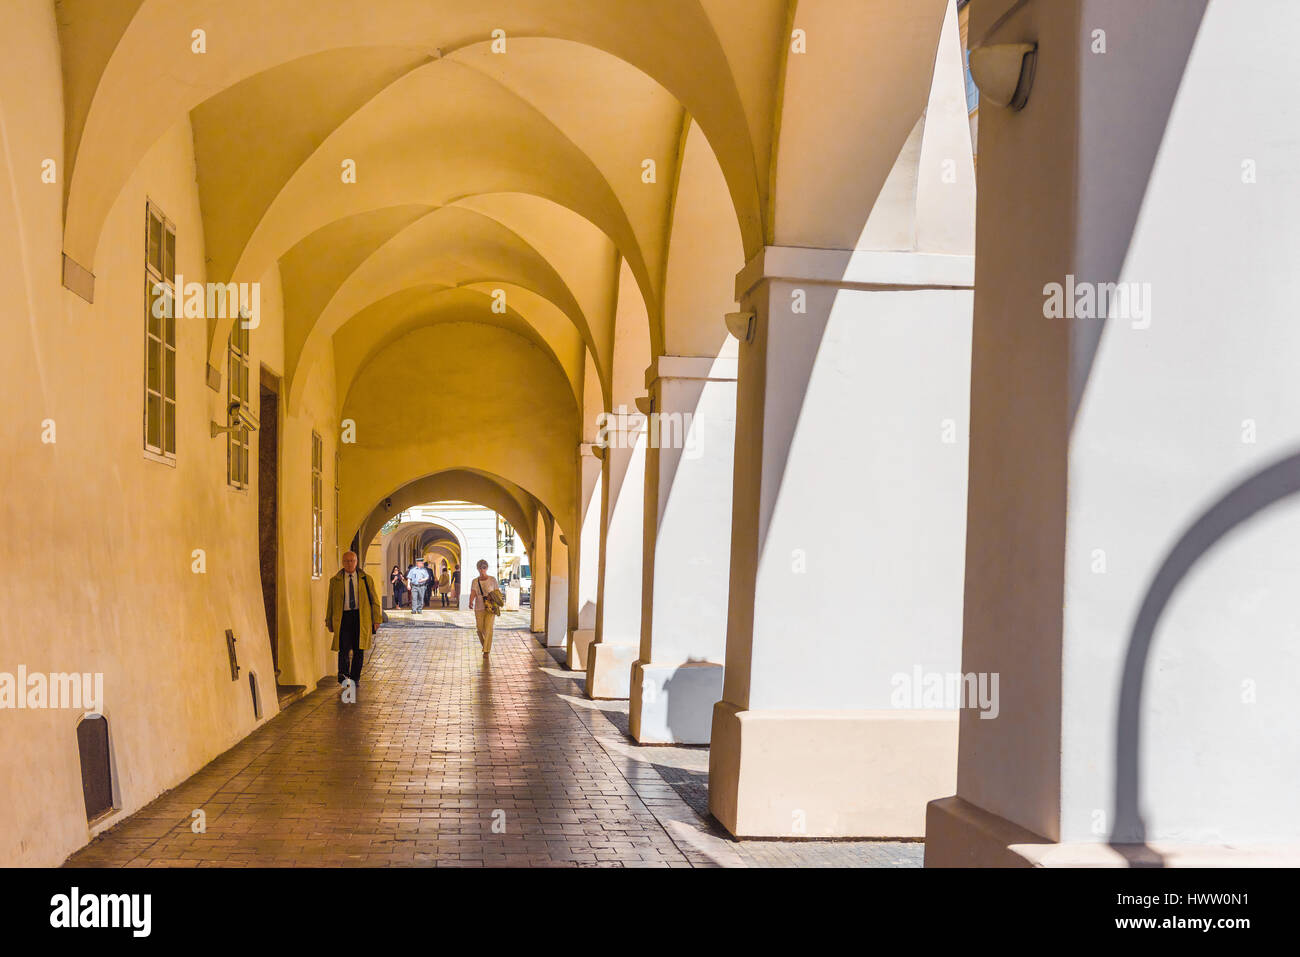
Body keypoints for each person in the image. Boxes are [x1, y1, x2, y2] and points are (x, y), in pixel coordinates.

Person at [325, 551, 382, 690]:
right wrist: (329, 621)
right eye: (346, 561)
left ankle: (355, 678)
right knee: (343, 648)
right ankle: (344, 676)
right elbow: (330, 602)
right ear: (342, 563)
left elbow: (374, 600)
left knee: (359, 649)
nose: (349, 563)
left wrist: (376, 619)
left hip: (360, 617)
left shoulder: (366, 579)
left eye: (352, 561)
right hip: (343, 617)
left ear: (356, 562)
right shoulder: (335, 580)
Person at [467, 559, 503, 656]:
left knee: (488, 628)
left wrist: (492, 596)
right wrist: (470, 601)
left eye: (484, 567)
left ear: (487, 568)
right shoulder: (475, 581)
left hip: (491, 607)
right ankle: (485, 645)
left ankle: (486, 650)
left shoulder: (492, 579)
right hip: (479, 606)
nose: (482, 569)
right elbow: (473, 592)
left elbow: (497, 592)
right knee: (479, 628)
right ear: (477, 568)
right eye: (480, 568)